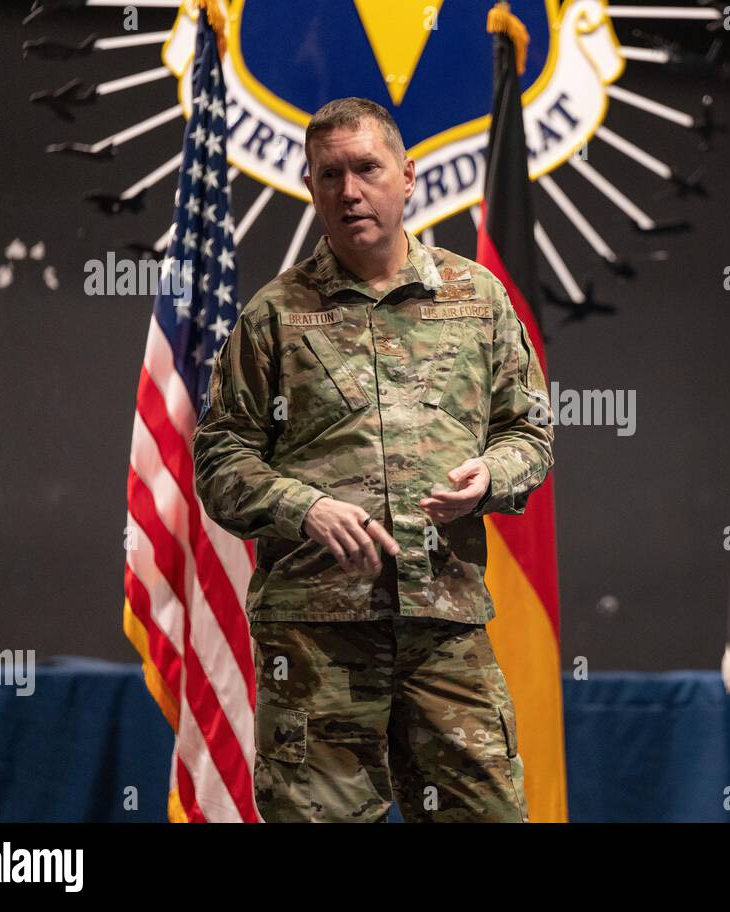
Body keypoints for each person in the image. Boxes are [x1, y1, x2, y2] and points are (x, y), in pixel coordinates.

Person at [193, 96, 553, 822]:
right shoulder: (275, 315)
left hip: (443, 626)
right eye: (330, 175)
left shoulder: (476, 299)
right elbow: (221, 462)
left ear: (409, 176)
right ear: (311, 185)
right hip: (316, 641)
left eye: (367, 168)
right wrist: (305, 507)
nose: (349, 191)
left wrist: (492, 477)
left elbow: (529, 434)